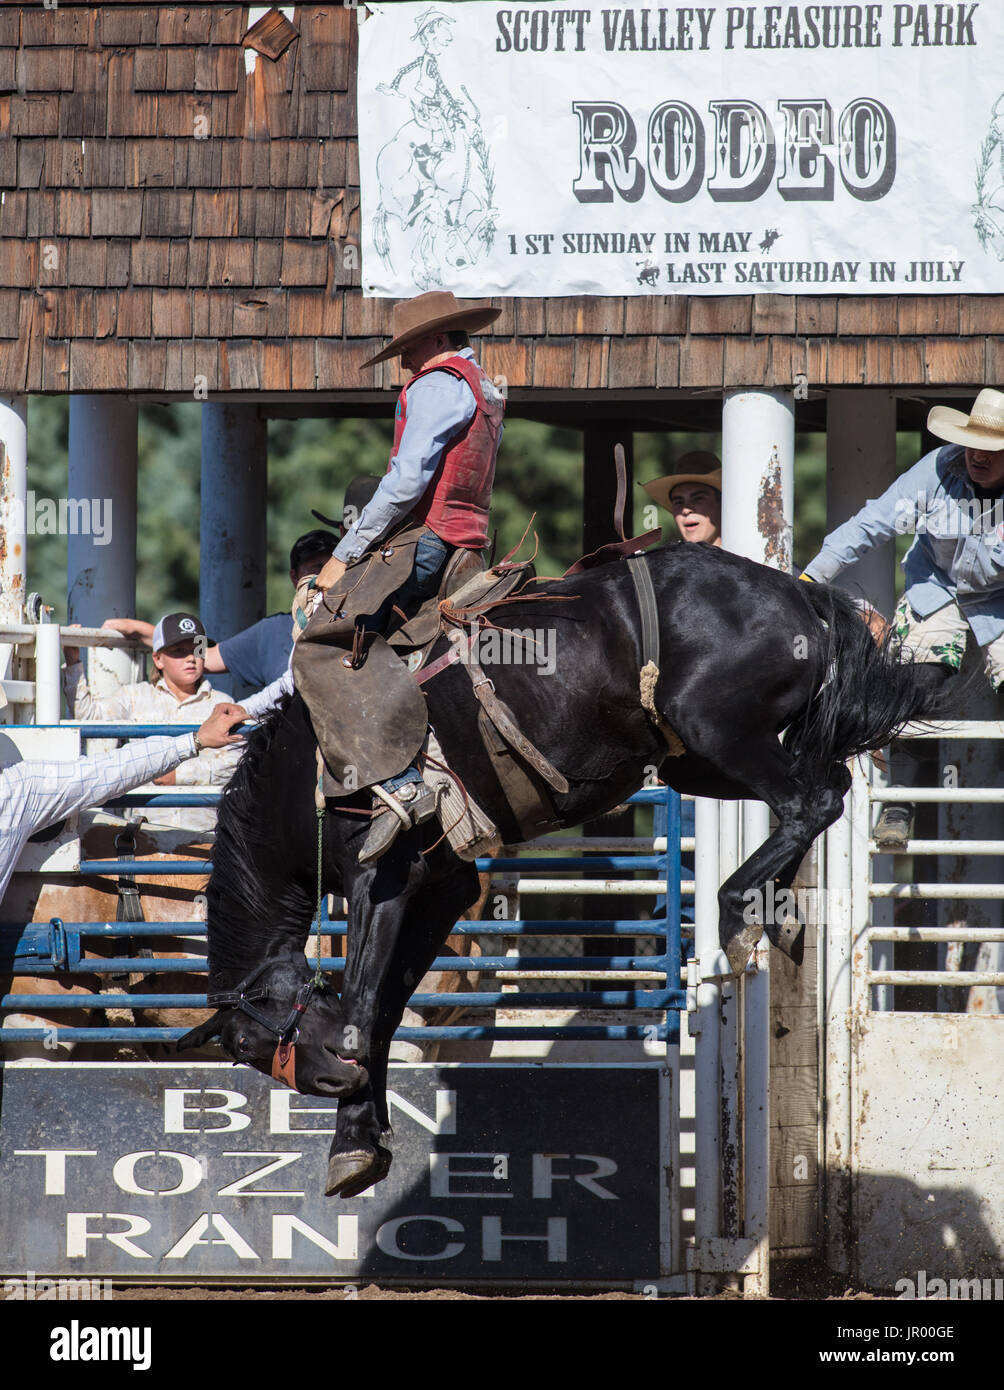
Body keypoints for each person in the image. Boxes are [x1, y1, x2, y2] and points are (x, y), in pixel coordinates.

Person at [310, 288, 505, 862]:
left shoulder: (436, 385)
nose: (404, 362)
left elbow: (404, 482)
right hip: (468, 543)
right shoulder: (484, 389)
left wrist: (344, 555)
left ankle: (398, 784)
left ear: (439, 340)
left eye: (410, 348)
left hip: (424, 542)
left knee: (323, 645)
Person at [800, 387, 1004, 847]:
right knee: (914, 683)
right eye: (973, 442)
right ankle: (900, 805)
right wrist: (811, 580)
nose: (978, 455)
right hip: (935, 588)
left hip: (1001, 599)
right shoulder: (936, 471)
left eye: (993, 449)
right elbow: (872, 523)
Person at [0, 704, 245, 904]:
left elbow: (106, 771)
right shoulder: (17, 788)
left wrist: (194, 741)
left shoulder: (17, 788)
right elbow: (106, 771)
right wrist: (194, 740)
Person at [62, 612, 244, 833]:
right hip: (145, 835)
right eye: (179, 651)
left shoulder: (223, 703)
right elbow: (88, 717)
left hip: (206, 834)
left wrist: (180, 775)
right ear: (158, 659)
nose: (190, 658)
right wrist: (73, 661)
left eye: (197, 649)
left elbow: (235, 764)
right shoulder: (135, 696)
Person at [101, 530, 341, 692]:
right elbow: (203, 656)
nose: (324, 577)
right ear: (294, 577)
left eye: (331, 567)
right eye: (315, 568)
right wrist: (141, 630)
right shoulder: (271, 632)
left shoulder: (357, 625)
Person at [641, 453, 723, 546]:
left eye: (698, 499)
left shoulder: (742, 554)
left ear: (721, 505)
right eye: (678, 502)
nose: (686, 510)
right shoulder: (667, 559)